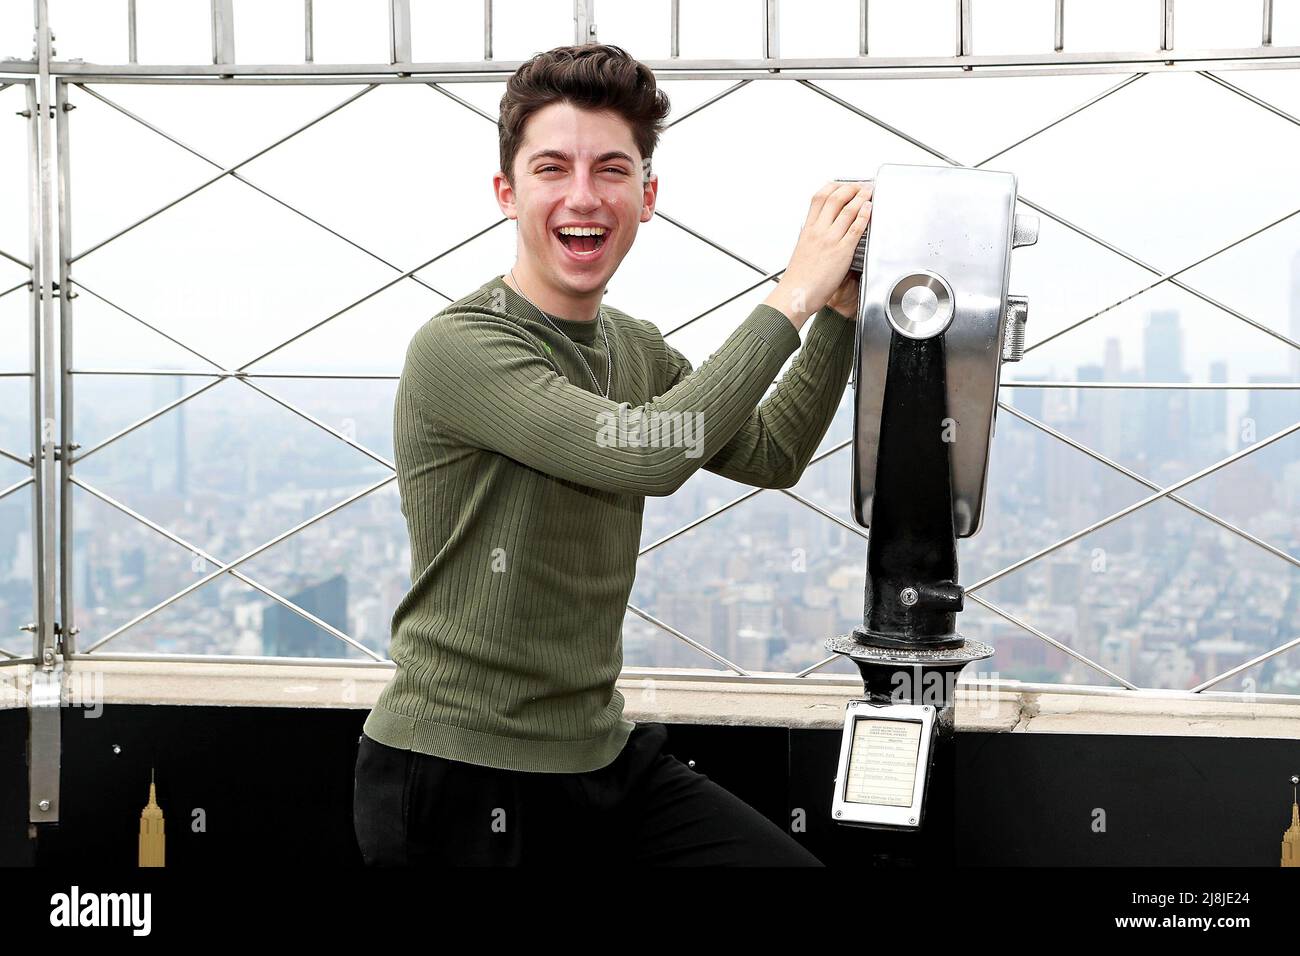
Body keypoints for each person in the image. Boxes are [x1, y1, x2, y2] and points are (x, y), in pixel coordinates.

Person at [354, 42, 872, 866]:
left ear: (646, 195)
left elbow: (771, 452)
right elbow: (644, 455)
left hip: (601, 758)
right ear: (506, 193)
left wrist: (837, 313)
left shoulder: (634, 346)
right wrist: (794, 293)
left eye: (611, 170)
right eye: (551, 169)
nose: (583, 196)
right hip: (460, 773)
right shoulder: (461, 345)